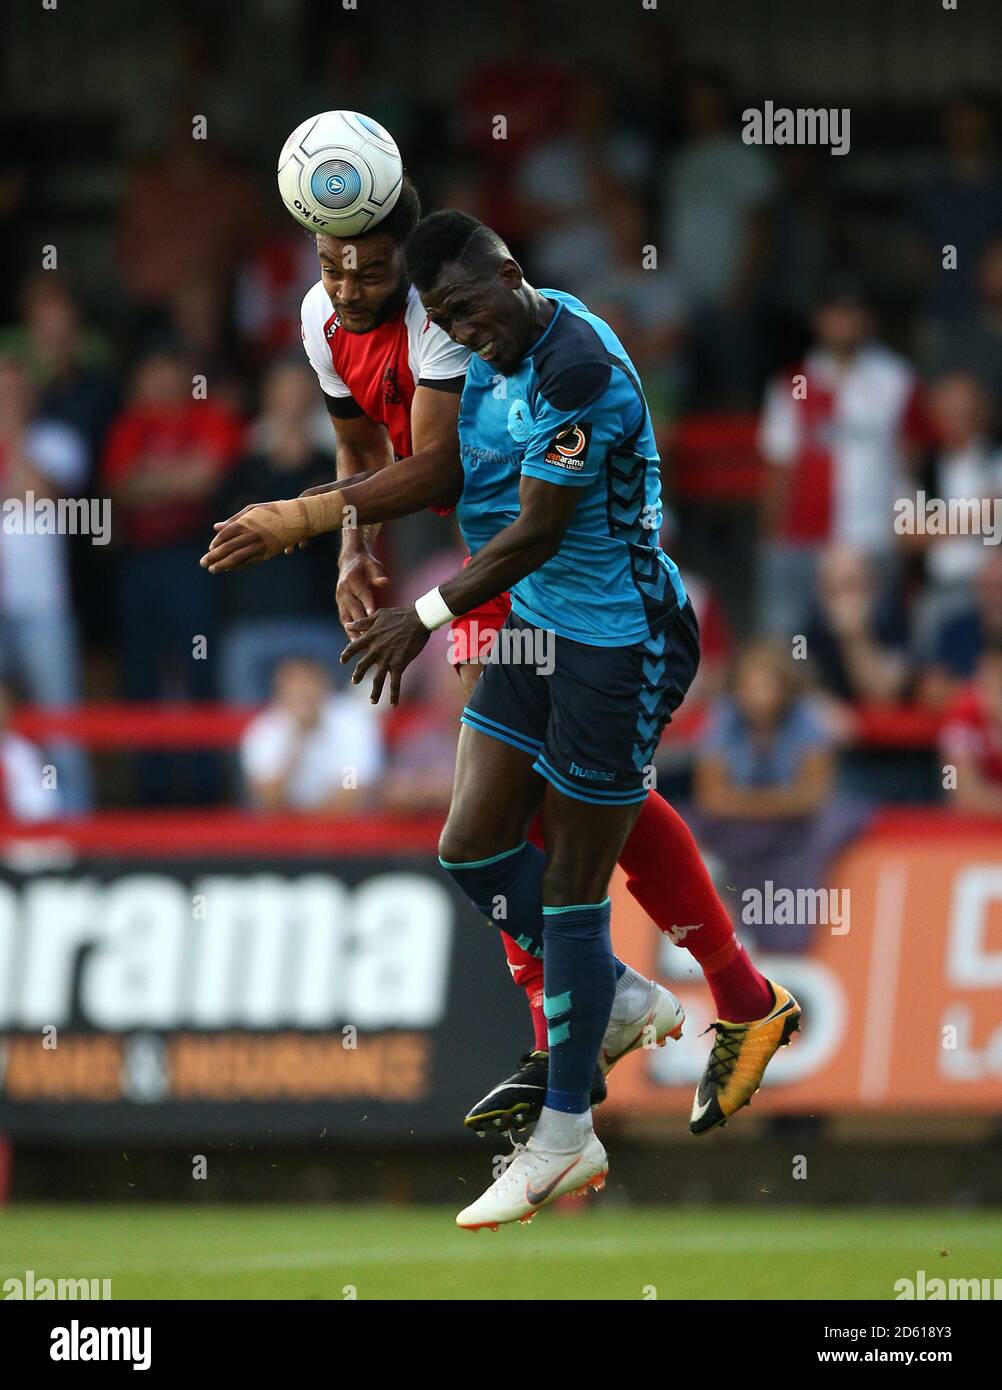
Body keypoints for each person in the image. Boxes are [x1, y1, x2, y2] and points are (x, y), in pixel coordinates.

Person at [204, 211, 801, 1228]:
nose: (464, 335)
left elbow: (535, 526)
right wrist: (352, 536)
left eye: (471, 310)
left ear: (515, 277)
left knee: (572, 877)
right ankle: (654, 998)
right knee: (472, 842)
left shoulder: (574, 365)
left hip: (617, 642)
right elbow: (428, 463)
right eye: (445, 319)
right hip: (530, 628)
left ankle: (566, 1135)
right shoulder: (478, 353)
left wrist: (416, 611)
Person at [240, 656, 383, 814]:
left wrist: (312, 827)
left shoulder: (353, 722)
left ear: (326, 684)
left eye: (310, 683)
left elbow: (353, 789)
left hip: (343, 829)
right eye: (296, 687)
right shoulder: (263, 730)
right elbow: (268, 798)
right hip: (284, 831)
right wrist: (297, 740)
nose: (305, 692)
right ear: (280, 691)